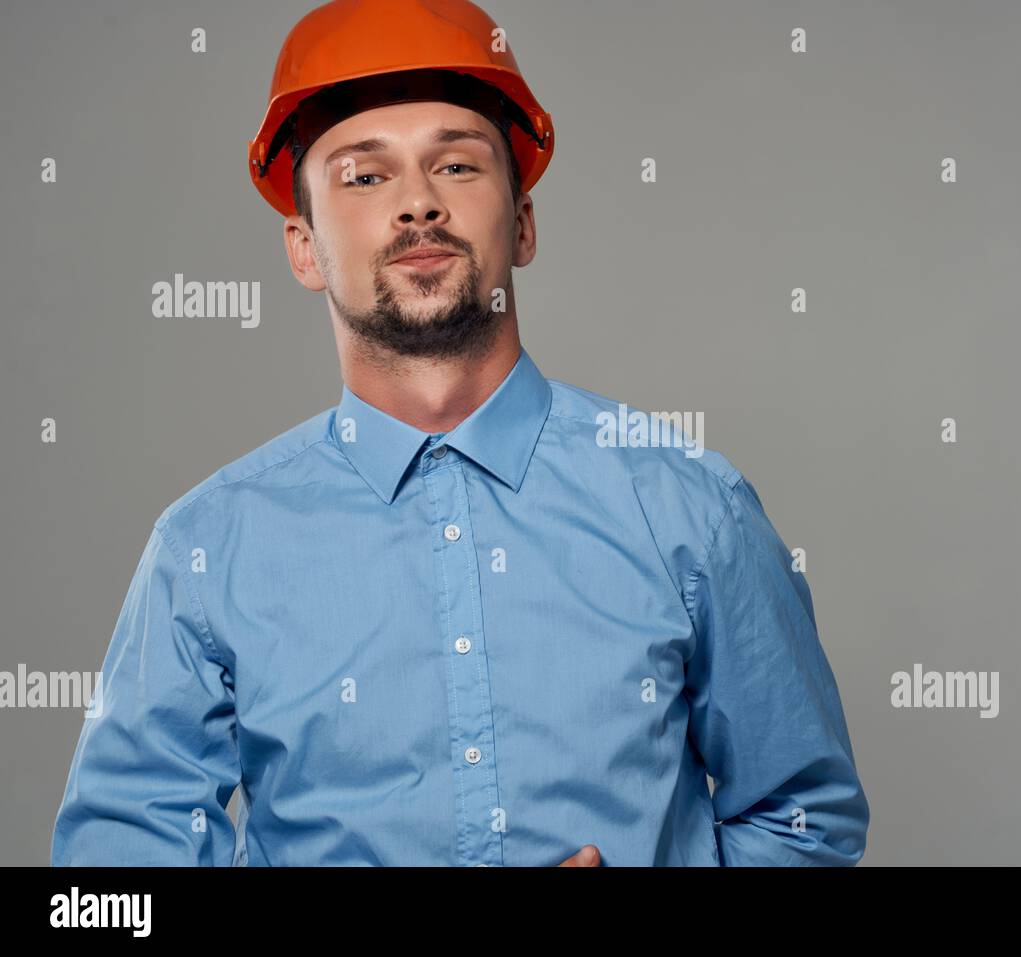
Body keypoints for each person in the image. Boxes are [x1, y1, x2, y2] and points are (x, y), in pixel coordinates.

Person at [50, 0, 868, 867]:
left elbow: (804, 818)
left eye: (456, 165)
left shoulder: (690, 506)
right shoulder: (206, 551)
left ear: (522, 225)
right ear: (303, 247)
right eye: (364, 177)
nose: (418, 204)